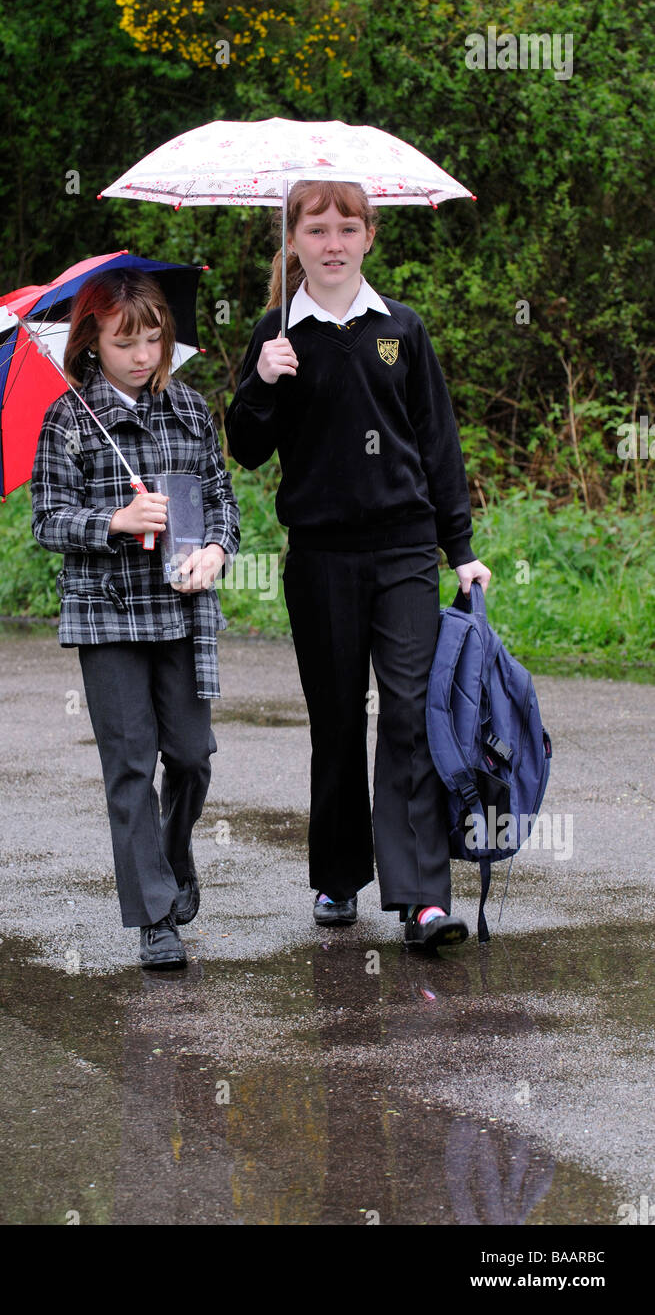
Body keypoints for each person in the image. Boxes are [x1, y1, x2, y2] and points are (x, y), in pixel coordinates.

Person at [224, 181, 491, 951]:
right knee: (336, 720)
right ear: (295, 240)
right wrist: (262, 381)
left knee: (409, 713)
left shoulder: (399, 330)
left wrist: (461, 551)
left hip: (404, 549)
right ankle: (338, 875)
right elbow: (245, 446)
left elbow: (437, 445)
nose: (332, 242)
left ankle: (419, 899)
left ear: (369, 236)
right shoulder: (277, 334)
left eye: (347, 228)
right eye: (317, 229)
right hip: (320, 556)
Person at [31, 269, 239, 968]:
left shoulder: (189, 407)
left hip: (182, 613)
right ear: (93, 343)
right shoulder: (68, 418)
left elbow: (222, 500)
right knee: (129, 766)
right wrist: (114, 521)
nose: (143, 354)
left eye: (154, 338)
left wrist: (216, 548)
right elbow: (48, 521)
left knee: (190, 756)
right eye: (126, 342)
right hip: (107, 617)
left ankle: (174, 852)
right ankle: (154, 917)